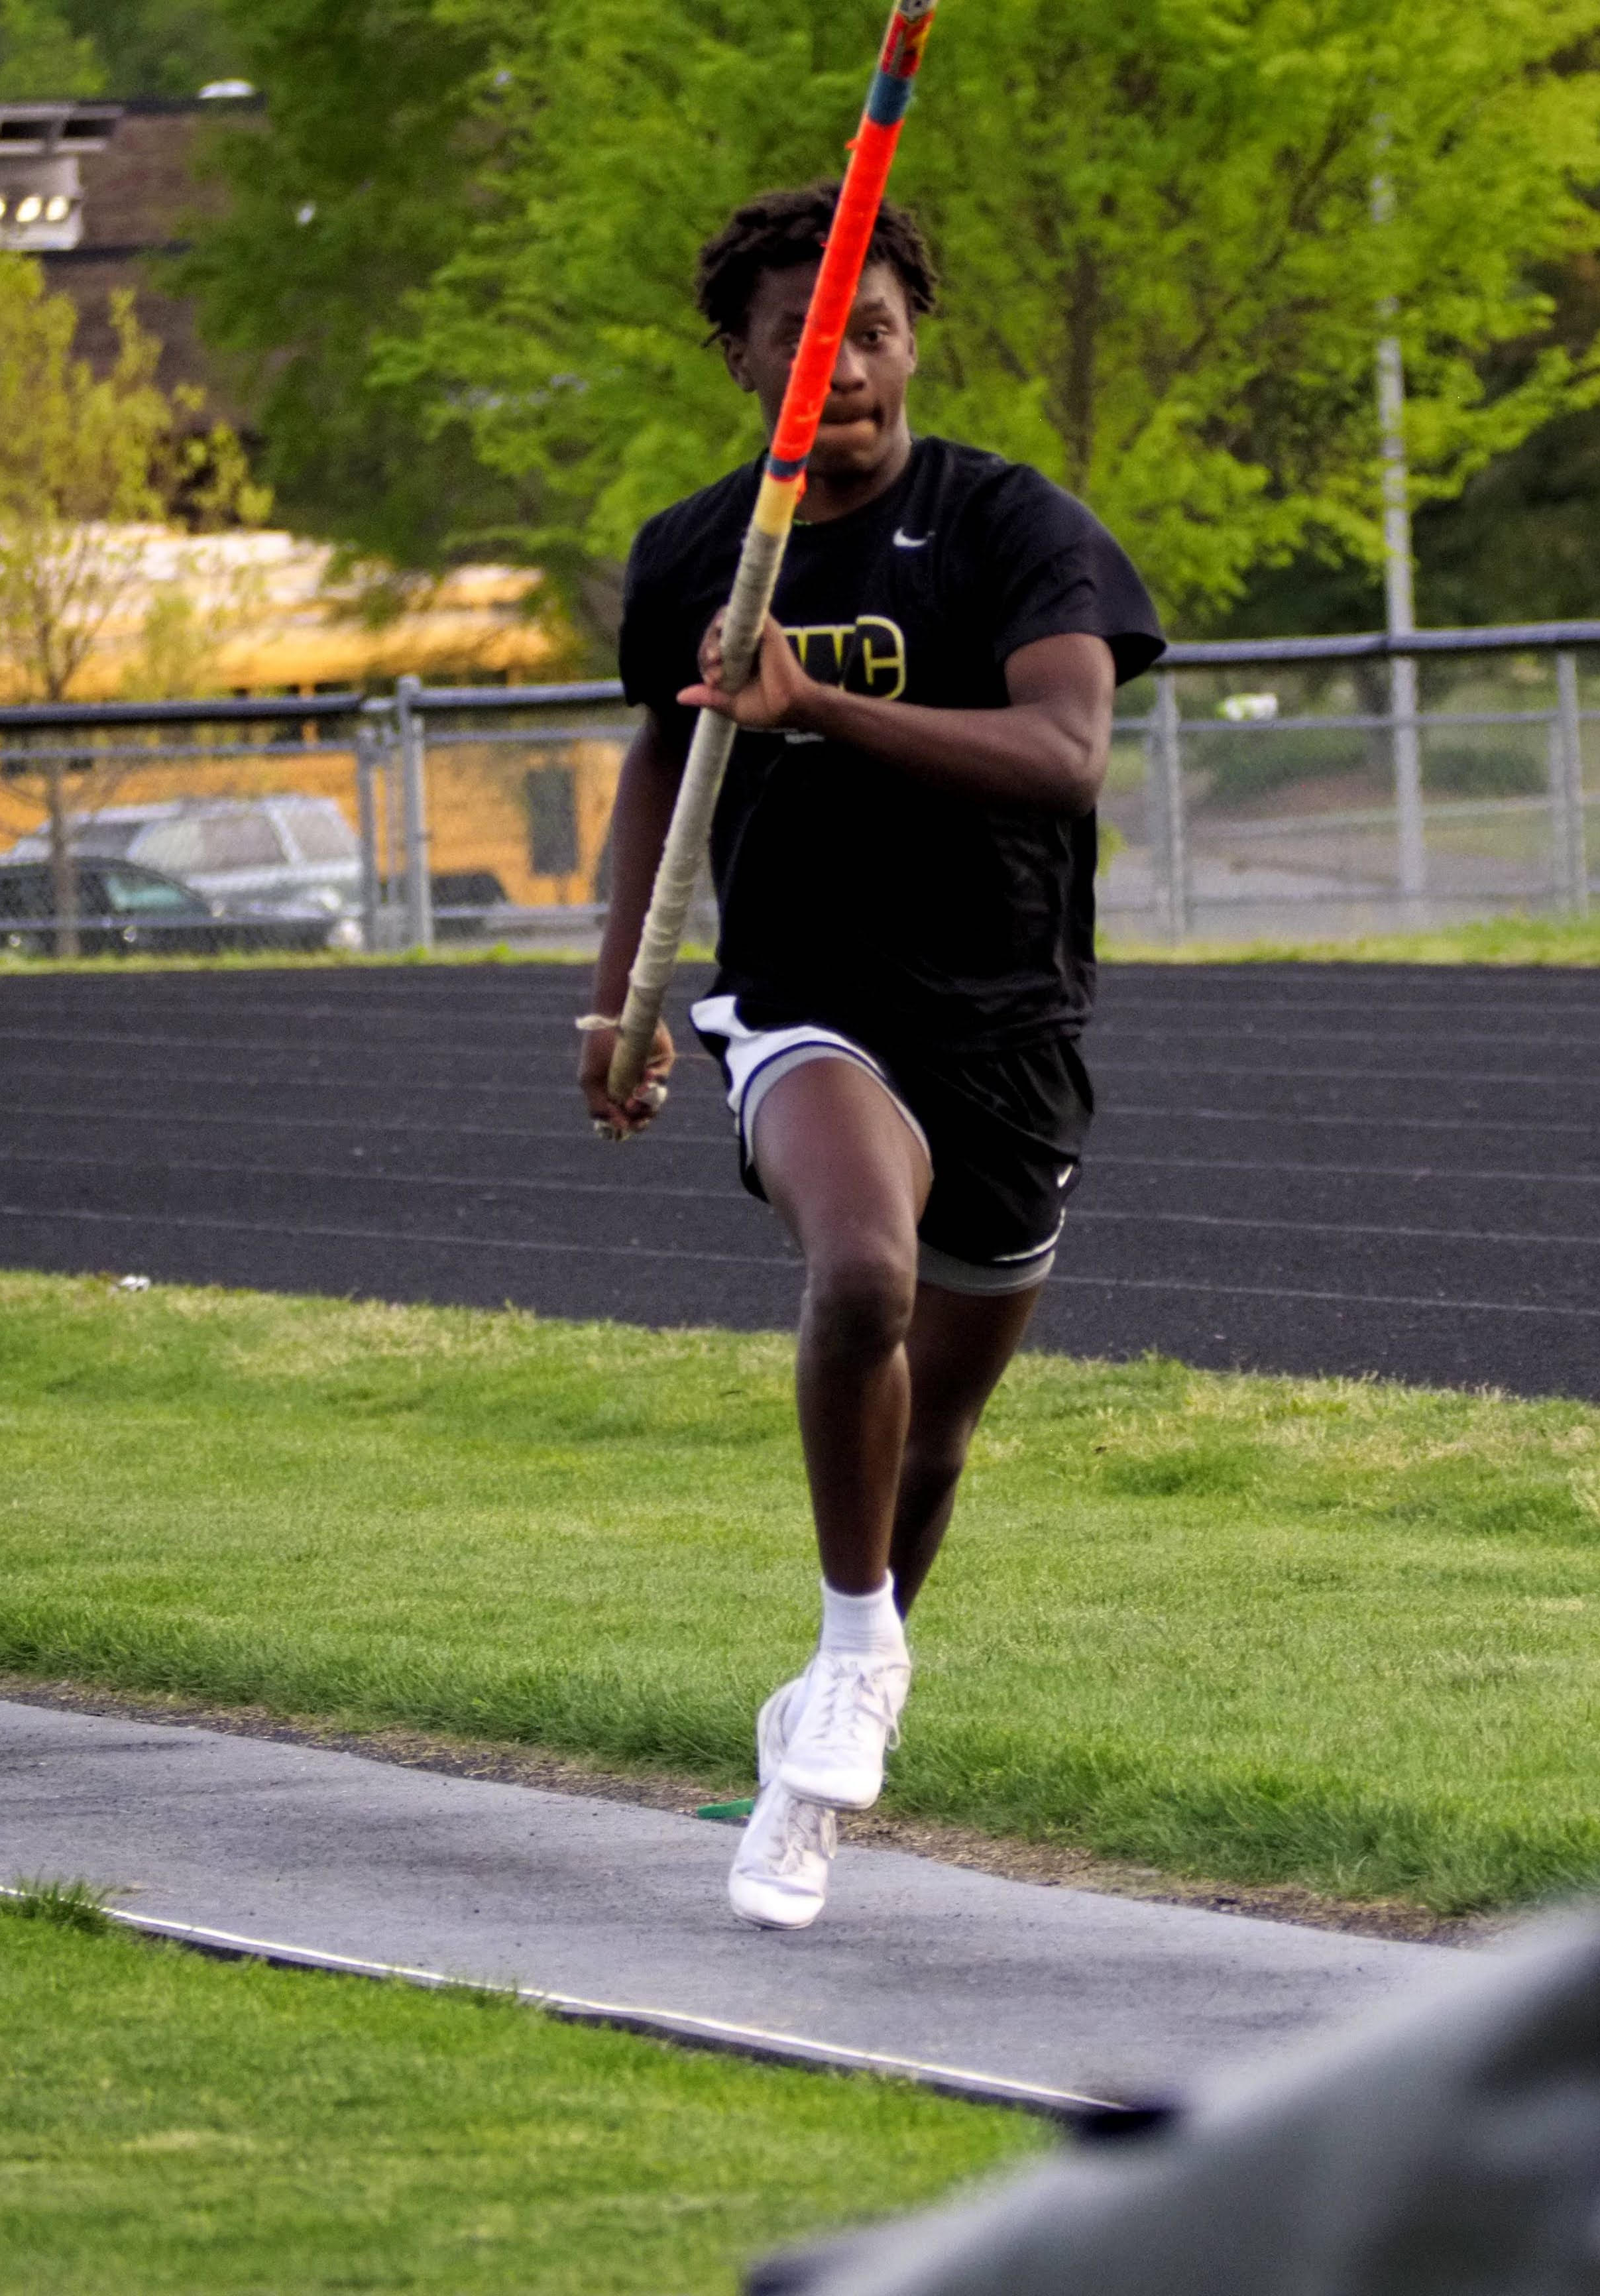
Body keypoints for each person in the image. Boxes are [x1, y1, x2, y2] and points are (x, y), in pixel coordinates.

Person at [579, 185, 1164, 1931]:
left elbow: (1063, 755)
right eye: (797, 340)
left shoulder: (1012, 527)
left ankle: (819, 1735)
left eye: (868, 335)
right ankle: (850, 1660)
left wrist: (813, 702)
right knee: (859, 1278)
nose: (836, 367)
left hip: (1004, 1023)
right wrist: (618, 994)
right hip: (800, 996)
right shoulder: (697, 553)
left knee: (937, 1437)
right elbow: (650, 772)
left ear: (910, 344)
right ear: (742, 359)